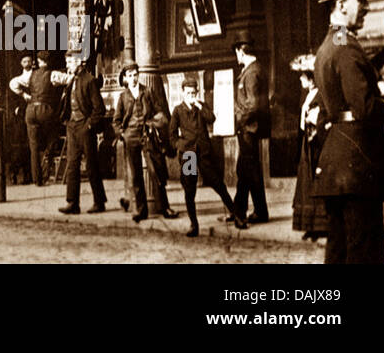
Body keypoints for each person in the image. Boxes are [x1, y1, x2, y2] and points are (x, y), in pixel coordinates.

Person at [310, 0, 384, 264]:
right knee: (363, 255)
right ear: (342, 3)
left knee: (339, 253)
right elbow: (367, 109)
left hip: (336, 167)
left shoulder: (329, 44)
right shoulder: (346, 47)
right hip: (358, 169)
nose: (366, 6)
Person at [169, 73, 245, 237]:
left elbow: (212, 118)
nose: (191, 96)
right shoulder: (178, 111)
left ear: (197, 93)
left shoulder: (201, 106)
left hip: (204, 153)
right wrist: (181, 146)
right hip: (189, 155)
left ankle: (236, 216)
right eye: (188, 93)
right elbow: (172, 135)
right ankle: (193, 224)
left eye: (194, 93)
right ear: (183, 93)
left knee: (218, 184)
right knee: (190, 189)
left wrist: (199, 105)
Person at [112, 59, 175, 223]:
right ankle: (141, 210)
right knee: (136, 175)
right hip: (131, 136)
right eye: (130, 75)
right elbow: (116, 121)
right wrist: (122, 134)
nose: (133, 78)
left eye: (135, 74)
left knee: (157, 171)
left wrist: (152, 123)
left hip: (148, 135)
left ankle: (165, 207)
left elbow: (159, 111)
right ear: (125, 77)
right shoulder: (123, 97)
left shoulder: (147, 91)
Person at [55, 50, 107, 215]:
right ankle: (72, 203)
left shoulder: (89, 81)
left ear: (79, 62)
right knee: (72, 165)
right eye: (67, 62)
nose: (67, 65)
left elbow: (99, 109)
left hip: (84, 127)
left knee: (91, 165)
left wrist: (89, 125)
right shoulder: (71, 80)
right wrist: (67, 121)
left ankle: (99, 202)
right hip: (72, 126)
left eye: (70, 62)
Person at [231, 34, 271, 223]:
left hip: (248, 129)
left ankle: (239, 210)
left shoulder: (252, 72)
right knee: (249, 171)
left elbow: (253, 104)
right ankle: (257, 211)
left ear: (241, 51)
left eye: (236, 52)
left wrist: (240, 121)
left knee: (245, 170)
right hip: (249, 129)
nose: (236, 57)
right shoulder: (254, 70)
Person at [289, 56, 326, 241]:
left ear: (311, 78)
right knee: (306, 183)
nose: (300, 79)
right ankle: (309, 225)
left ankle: (319, 226)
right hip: (307, 143)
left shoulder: (320, 95)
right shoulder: (308, 95)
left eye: (303, 76)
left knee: (315, 181)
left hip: (316, 144)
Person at [21, 51, 57, 186]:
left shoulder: (31, 74)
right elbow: (68, 79)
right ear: (48, 62)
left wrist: (25, 96)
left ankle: (37, 179)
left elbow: (14, 83)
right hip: (44, 110)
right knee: (52, 139)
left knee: (33, 147)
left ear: (40, 61)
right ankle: (47, 170)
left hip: (30, 110)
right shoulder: (52, 74)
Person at [7, 55, 34, 185]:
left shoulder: (35, 77)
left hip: (32, 111)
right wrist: (16, 108)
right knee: (19, 146)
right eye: (24, 61)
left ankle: (28, 174)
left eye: (29, 61)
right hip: (20, 115)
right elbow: (13, 97)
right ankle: (14, 172)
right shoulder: (17, 80)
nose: (27, 63)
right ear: (21, 63)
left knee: (29, 145)